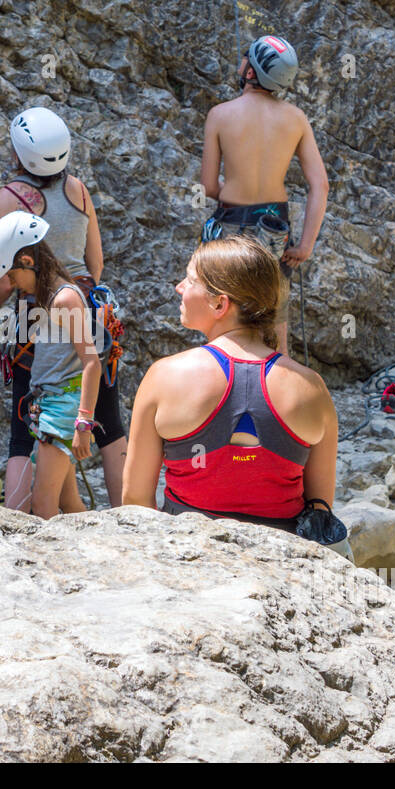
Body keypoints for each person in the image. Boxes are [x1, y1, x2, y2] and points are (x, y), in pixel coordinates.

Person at [121, 236, 348, 558]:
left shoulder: (165, 376)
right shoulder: (310, 386)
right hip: (283, 561)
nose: (179, 287)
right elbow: (320, 508)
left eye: (190, 280)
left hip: (190, 556)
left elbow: (136, 502)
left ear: (219, 304)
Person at [0, 105, 127, 512]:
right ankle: (132, 515)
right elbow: (96, 263)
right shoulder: (79, 189)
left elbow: (6, 274)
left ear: (19, 152)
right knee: (107, 420)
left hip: (36, 314)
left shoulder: (5, 200)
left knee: (27, 420)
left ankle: (18, 519)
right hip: (88, 306)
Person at [200, 35, 329, 355]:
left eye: (246, 58)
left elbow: (209, 188)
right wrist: (305, 246)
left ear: (251, 71)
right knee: (275, 322)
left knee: (221, 318)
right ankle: (277, 397)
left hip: (231, 221)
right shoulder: (296, 118)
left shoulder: (219, 114)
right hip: (274, 226)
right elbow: (320, 185)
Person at [0, 211, 101, 520]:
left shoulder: (64, 300)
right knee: (69, 503)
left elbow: (92, 363)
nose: (11, 284)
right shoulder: (49, 299)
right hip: (51, 402)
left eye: (11, 276)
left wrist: (83, 424)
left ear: (26, 260)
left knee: (42, 504)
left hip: (62, 406)